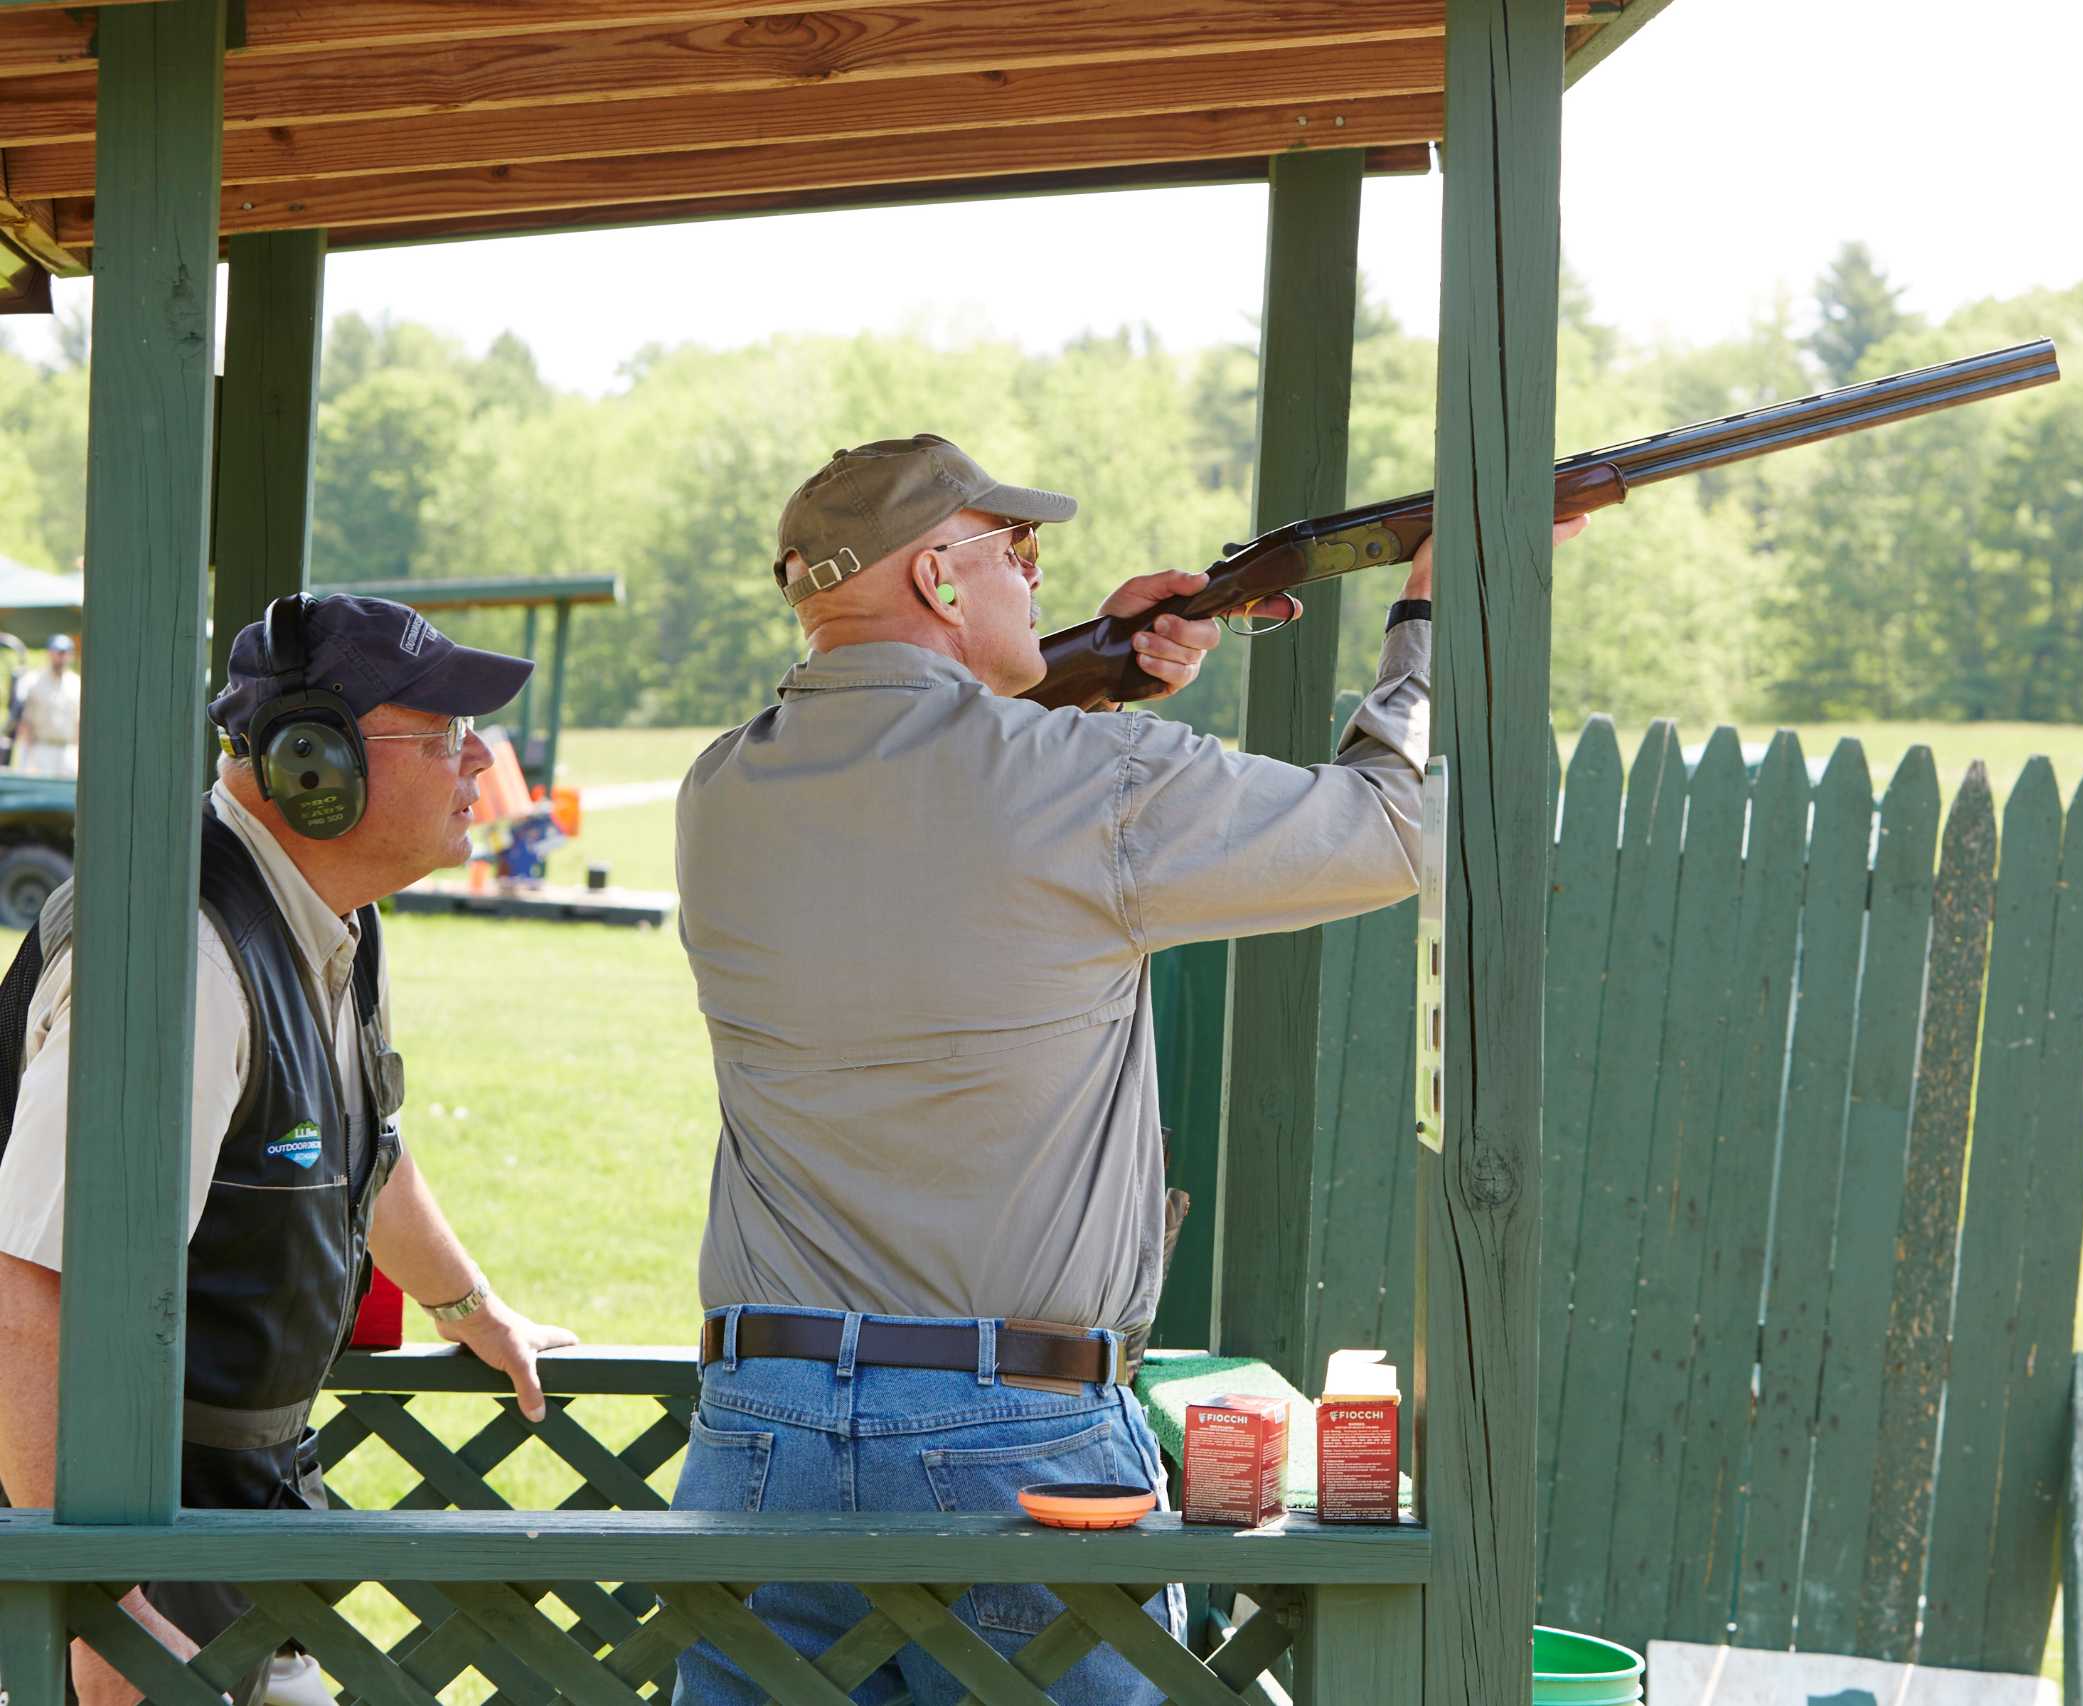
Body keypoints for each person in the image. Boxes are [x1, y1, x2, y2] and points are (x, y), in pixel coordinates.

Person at [669, 433, 1583, 1706]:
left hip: (759, 1428)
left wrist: (1089, 668)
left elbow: (922, 778)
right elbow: (1398, 824)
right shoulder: (1087, 781)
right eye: (1018, 552)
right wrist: (1430, 612)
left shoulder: (724, 787)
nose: (1036, 579)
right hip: (1015, 1433)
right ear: (940, 577)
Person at [0, 594, 580, 1706]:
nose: (479, 764)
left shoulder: (322, 917)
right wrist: (98, 1607)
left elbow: (360, 1146)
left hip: (218, 1541)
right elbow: (30, 1279)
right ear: (312, 762)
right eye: (448, 733)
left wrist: (471, 1309)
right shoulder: (180, 957)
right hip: (112, 1565)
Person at [12, 633, 80, 775]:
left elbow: (79, 723)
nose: (62, 657)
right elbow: (24, 722)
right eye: (59, 652)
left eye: (66, 653)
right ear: (50, 653)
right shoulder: (32, 681)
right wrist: (28, 758)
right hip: (40, 749)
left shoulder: (77, 684)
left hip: (67, 751)